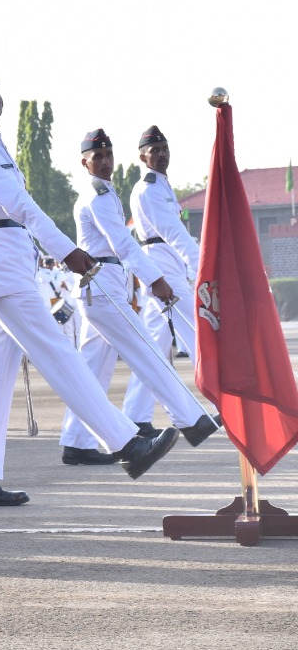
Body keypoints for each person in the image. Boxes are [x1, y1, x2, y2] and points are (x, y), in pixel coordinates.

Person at [0, 64, 178, 507]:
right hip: (1, 261)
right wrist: (67, 252)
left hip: (10, 260)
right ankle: (126, 444)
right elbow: (20, 205)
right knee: (58, 353)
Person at [58, 129, 218, 465]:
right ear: (84, 162)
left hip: (105, 284)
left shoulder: (106, 192)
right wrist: (155, 280)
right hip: (102, 286)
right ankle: (191, 420)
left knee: (92, 369)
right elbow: (123, 244)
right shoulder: (98, 194)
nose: (104, 162)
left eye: (108, 155)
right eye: (97, 157)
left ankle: (76, 442)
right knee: (147, 350)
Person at [123, 125, 203, 433]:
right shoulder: (148, 188)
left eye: (164, 148)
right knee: (195, 332)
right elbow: (173, 232)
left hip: (167, 261)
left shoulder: (161, 186)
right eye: (154, 150)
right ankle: (225, 400)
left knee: (154, 344)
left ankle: (136, 415)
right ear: (143, 157)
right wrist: (200, 265)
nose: (161, 154)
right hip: (161, 267)